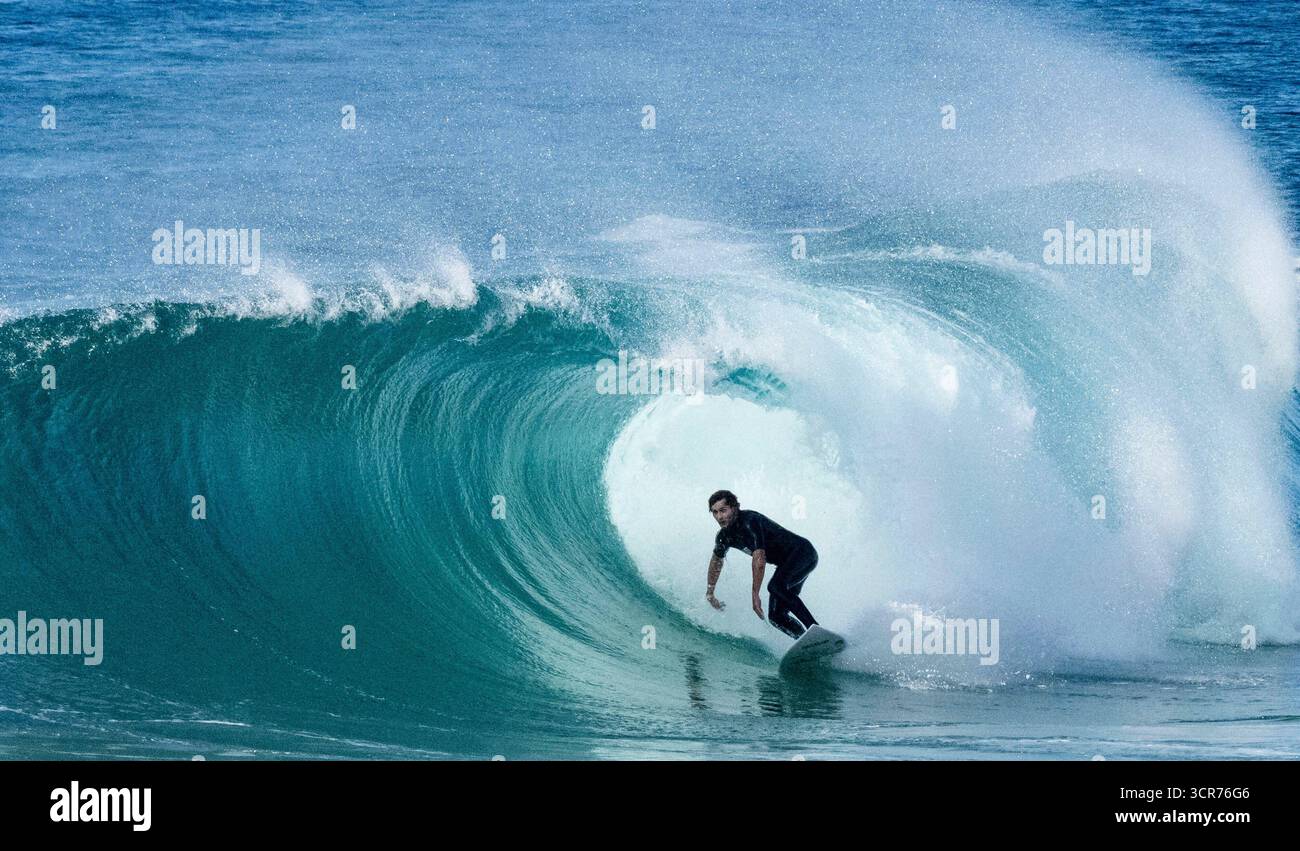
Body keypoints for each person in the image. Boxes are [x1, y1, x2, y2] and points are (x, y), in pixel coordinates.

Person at [704, 489, 819, 639]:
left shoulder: (750, 521)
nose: (719, 517)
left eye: (723, 511)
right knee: (776, 617)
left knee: (775, 587)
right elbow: (716, 562)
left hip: (803, 553)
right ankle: (808, 642)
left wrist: (755, 594)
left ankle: (814, 628)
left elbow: (759, 558)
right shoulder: (724, 537)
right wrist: (710, 592)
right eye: (715, 512)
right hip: (787, 565)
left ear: (734, 507)